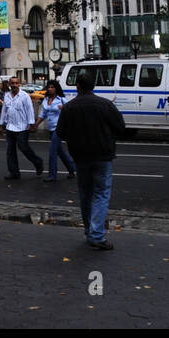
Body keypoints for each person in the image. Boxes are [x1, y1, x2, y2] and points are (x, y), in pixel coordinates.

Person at [56, 70, 126, 250]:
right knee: (101, 193)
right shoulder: (104, 105)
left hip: (80, 156)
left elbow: (60, 132)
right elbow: (120, 127)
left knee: (85, 192)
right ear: (93, 86)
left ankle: (89, 229)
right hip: (102, 154)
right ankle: (96, 233)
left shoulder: (69, 107)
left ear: (77, 86)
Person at [0, 77, 44, 179]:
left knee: (23, 147)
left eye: (16, 83)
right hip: (10, 127)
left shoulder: (24, 96)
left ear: (19, 84)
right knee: (10, 150)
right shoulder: (7, 96)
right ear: (9, 84)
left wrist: (32, 124)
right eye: (12, 83)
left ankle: (38, 162)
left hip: (22, 127)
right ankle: (14, 172)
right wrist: (1, 125)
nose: (14, 85)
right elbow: (4, 111)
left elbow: (29, 110)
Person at [36, 80, 75, 182]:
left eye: (52, 87)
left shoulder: (61, 99)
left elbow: (70, 110)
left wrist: (63, 108)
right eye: (49, 87)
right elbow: (43, 114)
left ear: (56, 88)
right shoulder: (46, 100)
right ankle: (72, 169)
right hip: (50, 128)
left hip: (59, 129)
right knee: (60, 151)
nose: (50, 89)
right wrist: (36, 124)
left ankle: (52, 175)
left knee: (53, 151)